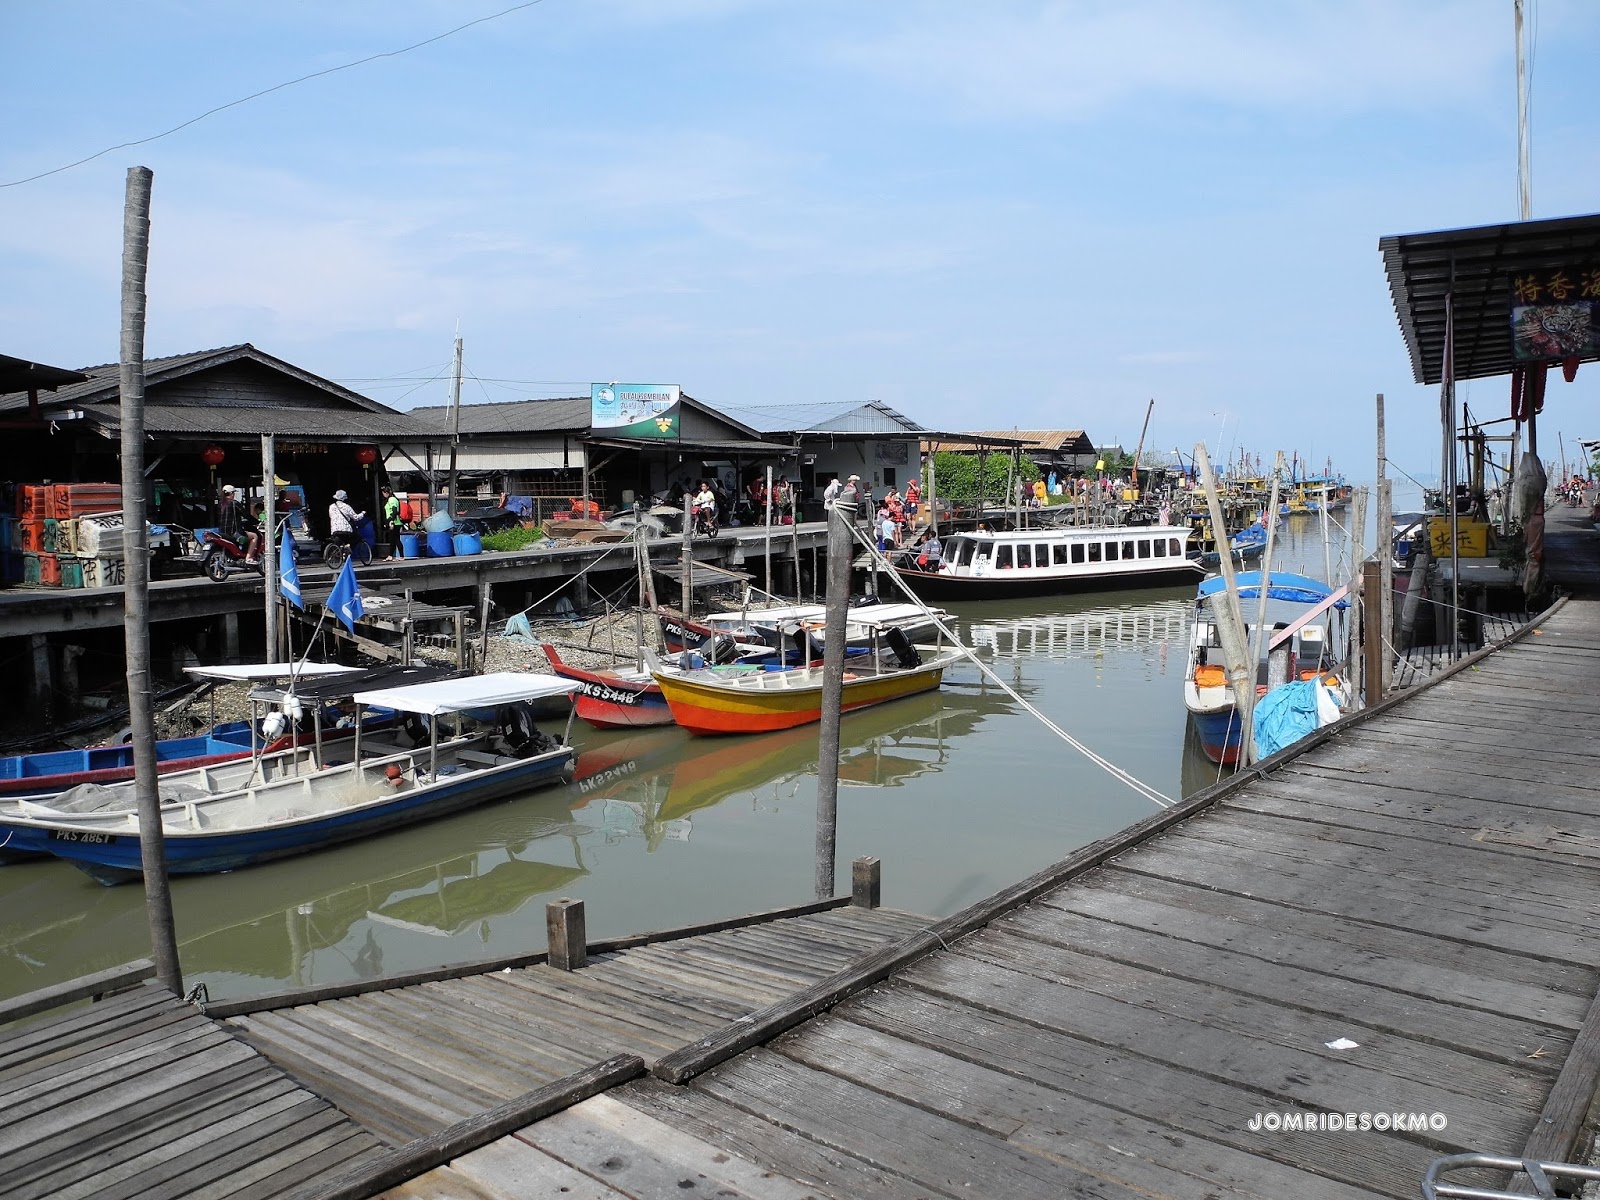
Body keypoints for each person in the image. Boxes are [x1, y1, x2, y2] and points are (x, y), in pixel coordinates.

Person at [218, 484, 261, 563]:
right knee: (254, 536)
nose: (234, 495)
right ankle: (248, 558)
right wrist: (256, 521)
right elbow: (246, 515)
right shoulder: (234, 503)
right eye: (233, 493)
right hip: (234, 533)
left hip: (222, 533)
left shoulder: (220, 504)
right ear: (231, 493)